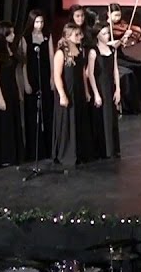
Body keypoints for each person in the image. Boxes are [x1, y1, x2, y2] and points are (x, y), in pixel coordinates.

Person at [52, 23, 93, 166]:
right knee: (68, 121)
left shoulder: (80, 50)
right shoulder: (61, 53)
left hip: (79, 91)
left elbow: (82, 72)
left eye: (80, 34)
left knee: (79, 119)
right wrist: (62, 95)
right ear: (67, 36)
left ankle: (80, 152)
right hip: (67, 91)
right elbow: (57, 75)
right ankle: (67, 154)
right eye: (76, 35)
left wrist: (87, 91)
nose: (80, 37)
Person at [19, 9, 55, 162]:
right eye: (37, 22)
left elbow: (52, 58)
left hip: (46, 76)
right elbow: (24, 62)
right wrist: (26, 82)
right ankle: (35, 150)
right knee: (33, 114)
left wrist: (53, 77)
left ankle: (50, 148)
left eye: (41, 22)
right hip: (32, 77)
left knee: (48, 111)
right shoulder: (25, 38)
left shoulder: (48, 36)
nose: (39, 25)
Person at [0, 23, 25, 168]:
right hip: (3, 90)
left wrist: (19, 91)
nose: (13, 36)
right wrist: (0, 98)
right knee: (5, 124)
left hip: (12, 88)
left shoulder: (10, 50)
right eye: (10, 34)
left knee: (14, 121)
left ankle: (16, 154)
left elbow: (15, 72)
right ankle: (6, 156)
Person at [88, 24, 122, 159]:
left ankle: (112, 148)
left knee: (111, 118)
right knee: (101, 118)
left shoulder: (112, 50)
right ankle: (102, 149)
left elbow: (115, 70)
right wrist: (96, 93)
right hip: (100, 87)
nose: (107, 36)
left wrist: (118, 89)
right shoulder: (93, 51)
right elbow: (90, 74)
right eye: (104, 33)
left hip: (110, 87)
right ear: (97, 36)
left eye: (108, 33)